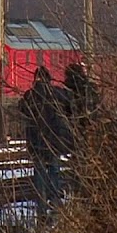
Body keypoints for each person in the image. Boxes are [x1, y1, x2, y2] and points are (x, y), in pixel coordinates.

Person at [19, 66, 70, 219]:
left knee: (40, 177)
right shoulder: (56, 94)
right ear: (49, 79)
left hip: (36, 143)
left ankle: (41, 212)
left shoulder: (30, 96)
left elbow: (21, 109)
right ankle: (55, 207)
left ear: (36, 79)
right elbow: (69, 105)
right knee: (54, 172)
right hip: (54, 142)